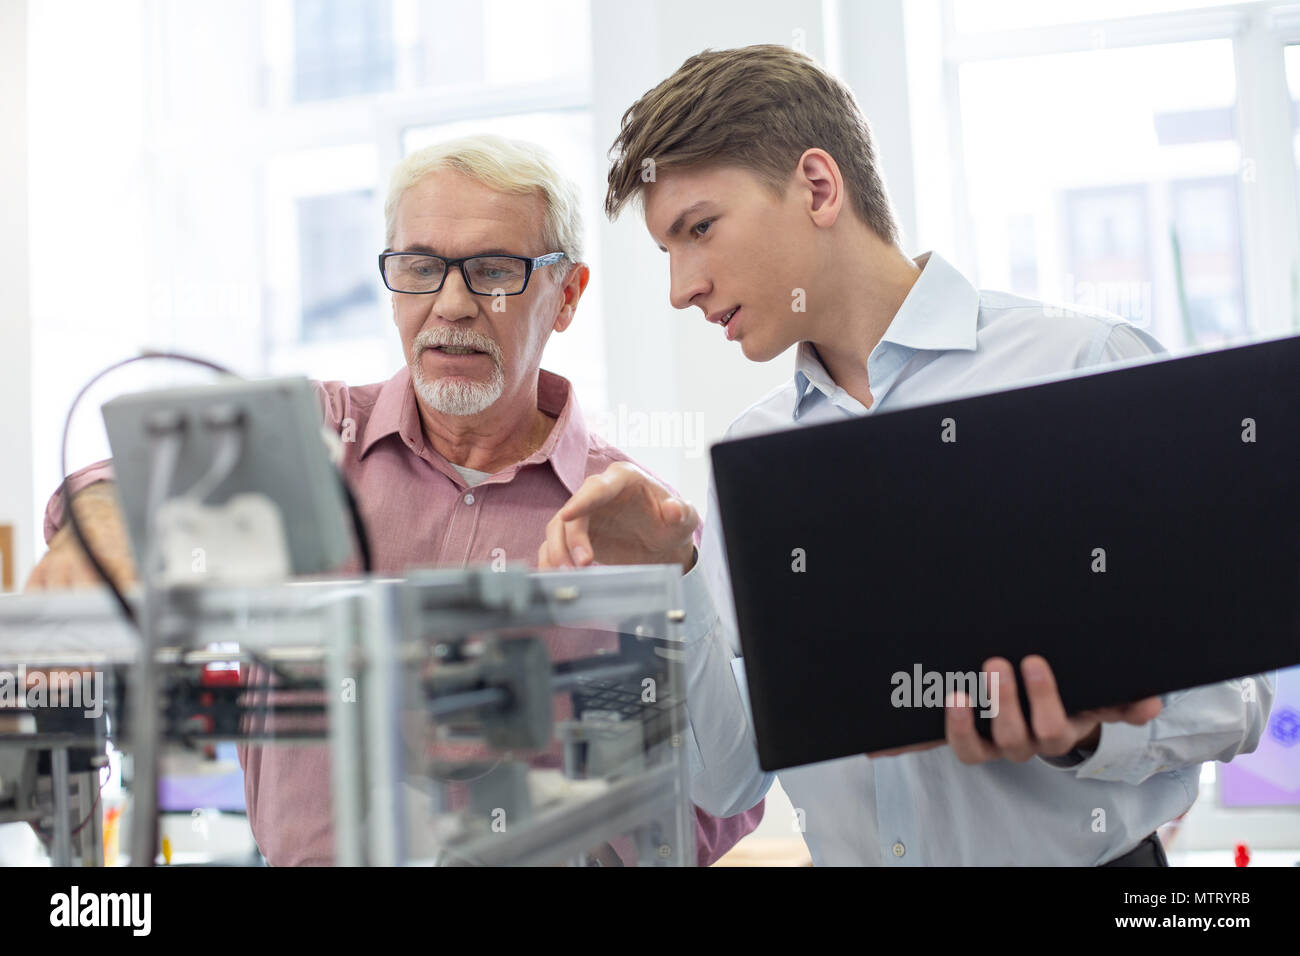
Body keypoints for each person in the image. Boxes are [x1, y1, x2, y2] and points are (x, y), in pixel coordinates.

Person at [537, 45, 1273, 865]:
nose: (681, 287)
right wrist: (670, 579)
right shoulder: (756, 454)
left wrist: (1088, 731)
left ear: (818, 187)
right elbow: (728, 779)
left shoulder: (1081, 364)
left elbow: (1238, 697)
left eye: (699, 229)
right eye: (668, 250)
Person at [28, 134, 764, 866]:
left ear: (566, 295)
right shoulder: (308, 444)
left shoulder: (631, 519)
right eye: (419, 268)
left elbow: (719, 796)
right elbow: (114, 486)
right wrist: (104, 527)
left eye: (494, 271)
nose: (451, 304)